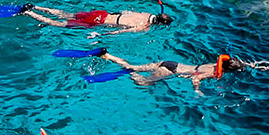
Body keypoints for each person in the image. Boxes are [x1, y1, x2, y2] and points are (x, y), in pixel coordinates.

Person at [95, 49, 258, 93]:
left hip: (170, 62)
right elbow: (196, 79)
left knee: (135, 66)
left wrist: (256, 65)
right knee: (144, 83)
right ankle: (125, 69)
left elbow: (236, 62)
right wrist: (197, 91)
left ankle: (110, 56)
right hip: (170, 71)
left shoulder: (218, 64)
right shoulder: (215, 73)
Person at [19, 3, 173, 34]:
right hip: (99, 22)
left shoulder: (145, 13)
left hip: (102, 13)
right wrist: (105, 34)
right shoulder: (144, 26)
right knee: (59, 24)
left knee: (67, 14)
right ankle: (28, 13)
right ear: (159, 24)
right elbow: (118, 33)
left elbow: (125, 11)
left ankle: (35, 7)